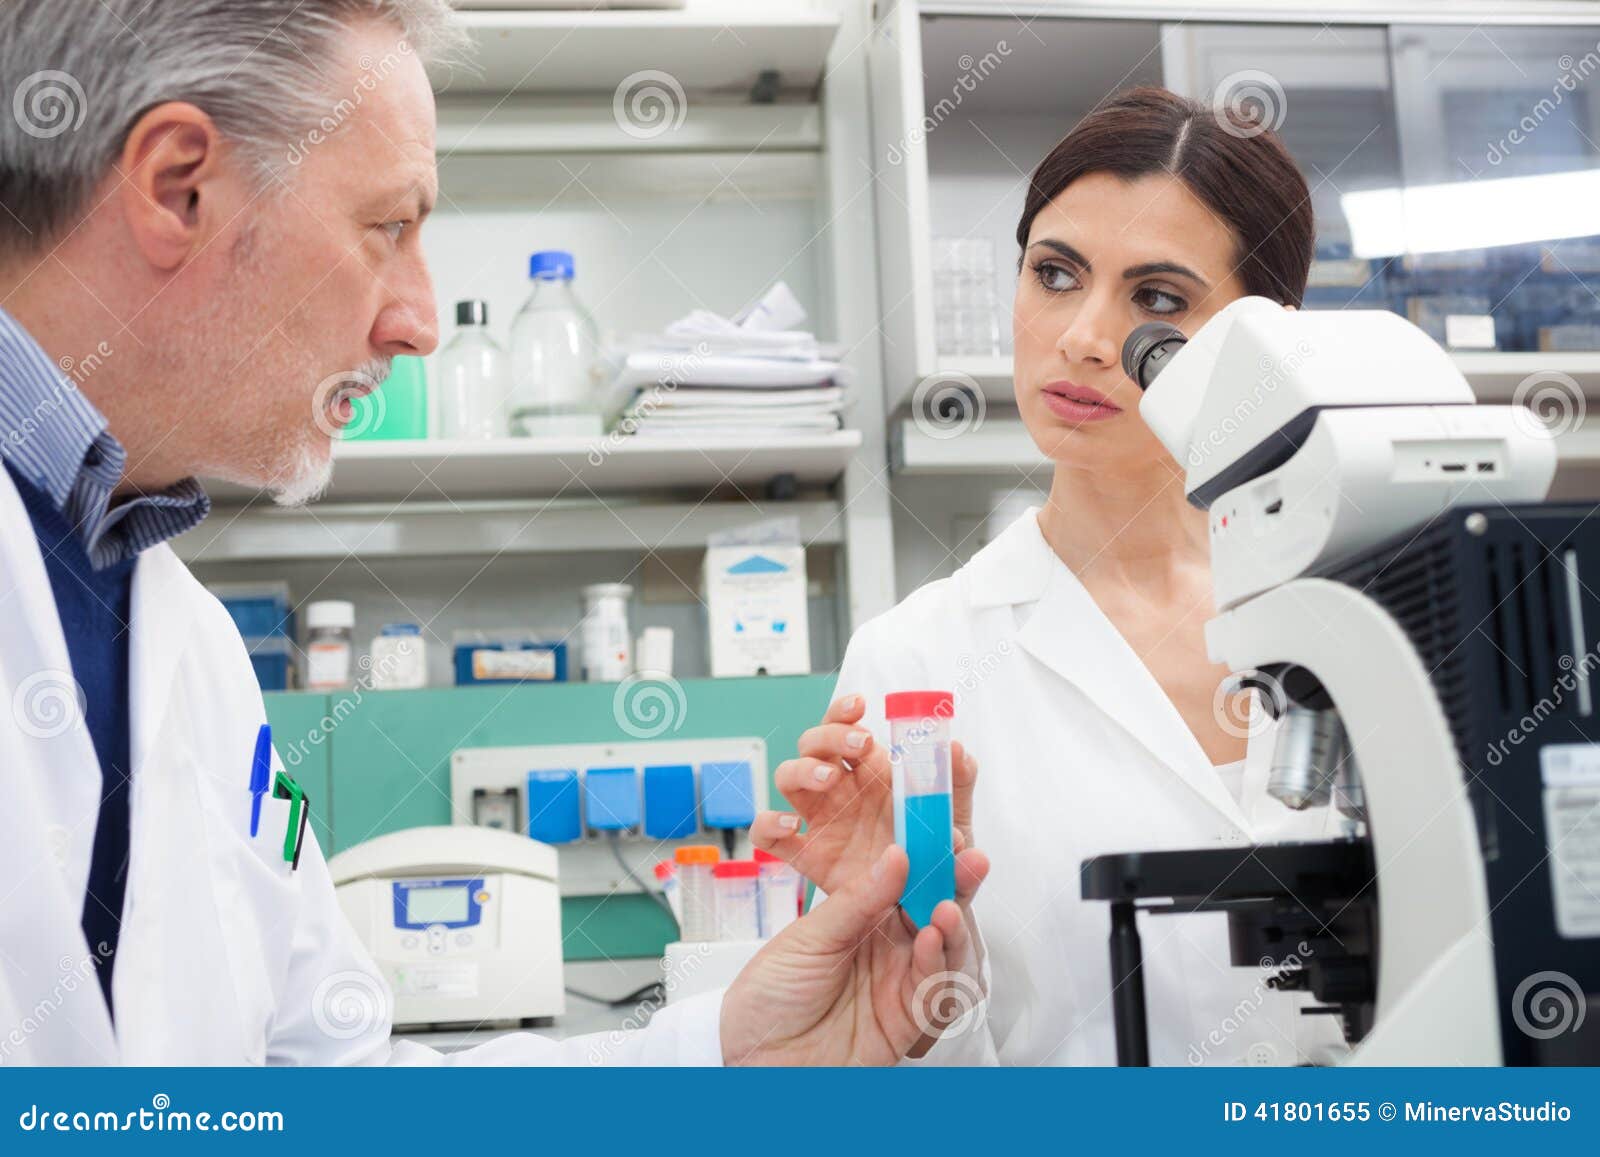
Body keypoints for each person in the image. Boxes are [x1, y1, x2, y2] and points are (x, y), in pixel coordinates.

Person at [0, 0, 987, 1065]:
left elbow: (332, 1091)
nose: (419, 320)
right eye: (389, 228)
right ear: (177, 185)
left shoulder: (176, 629)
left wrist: (735, 1049)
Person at [765, 87, 1349, 1067]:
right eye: (1054, 272)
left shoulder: (1375, 613)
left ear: (1262, 336)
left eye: (1156, 298)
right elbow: (895, 1059)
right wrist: (897, 944)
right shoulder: (919, 659)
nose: (1083, 334)